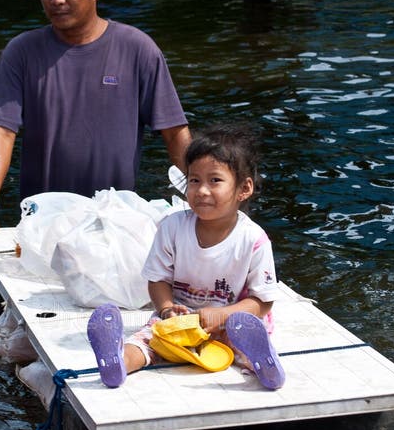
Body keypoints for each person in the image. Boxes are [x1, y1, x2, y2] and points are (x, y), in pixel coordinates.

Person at [0, 0, 190, 255]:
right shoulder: (21, 53)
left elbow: (175, 134)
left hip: (115, 225)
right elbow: (1, 133)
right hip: (42, 224)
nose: (57, 0)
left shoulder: (138, 49)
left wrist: (205, 203)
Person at [86, 125, 286, 391]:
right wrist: (167, 308)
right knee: (148, 339)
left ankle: (267, 366)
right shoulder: (171, 228)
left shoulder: (253, 239)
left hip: (232, 320)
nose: (202, 190)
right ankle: (117, 362)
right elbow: (157, 280)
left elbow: (262, 301)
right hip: (180, 319)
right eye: (194, 181)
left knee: (244, 339)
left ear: (244, 188)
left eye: (214, 180)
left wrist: (223, 315)